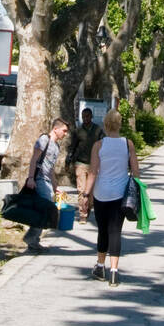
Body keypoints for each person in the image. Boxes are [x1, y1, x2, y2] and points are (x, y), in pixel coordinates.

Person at [82, 107, 140, 287]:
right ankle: (114, 272)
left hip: (101, 193)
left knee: (102, 230)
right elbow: (136, 171)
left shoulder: (98, 145)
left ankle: (100, 267)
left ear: (105, 125)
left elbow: (93, 172)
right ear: (120, 124)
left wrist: (86, 194)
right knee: (115, 231)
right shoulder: (128, 144)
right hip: (120, 194)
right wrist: (138, 191)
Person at [23, 117, 69, 252]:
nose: (65, 134)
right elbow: (34, 159)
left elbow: (51, 169)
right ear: (55, 129)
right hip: (39, 179)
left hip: (47, 181)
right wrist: (31, 178)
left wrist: (55, 187)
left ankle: (33, 239)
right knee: (46, 208)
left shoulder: (57, 146)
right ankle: (32, 238)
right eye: (64, 131)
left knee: (44, 210)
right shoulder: (44, 140)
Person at [66, 108, 103, 221]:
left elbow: (103, 144)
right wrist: (68, 160)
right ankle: (83, 214)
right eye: (83, 117)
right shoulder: (78, 131)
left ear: (91, 117)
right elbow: (73, 146)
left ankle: (89, 207)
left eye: (87, 116)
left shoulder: (98, 130)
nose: (85, 119)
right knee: (81, 190)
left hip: (94, 164)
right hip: (80, 163)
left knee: (91, 191)